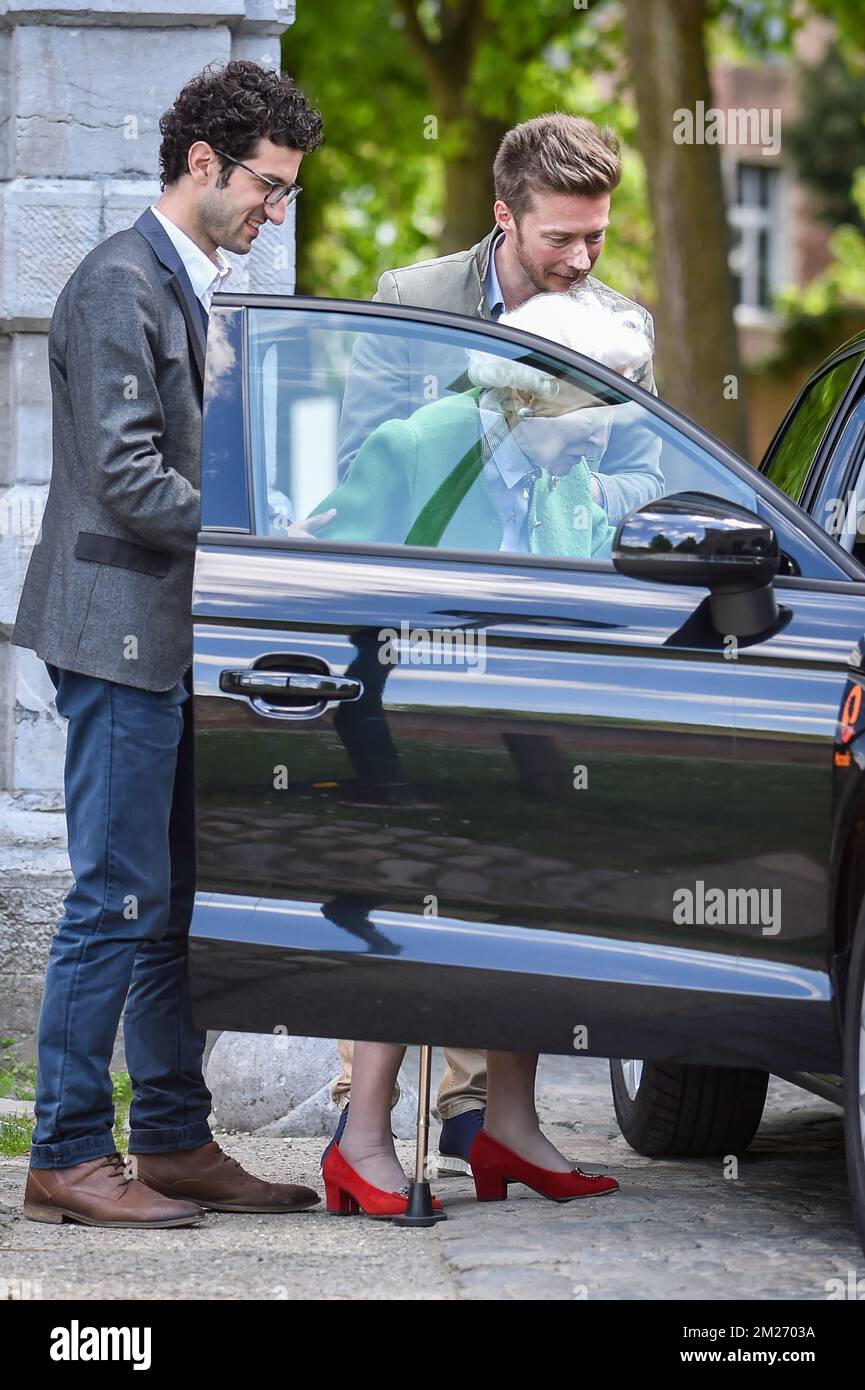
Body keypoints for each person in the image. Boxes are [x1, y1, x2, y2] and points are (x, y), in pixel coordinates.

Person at [11, 61, 328, 1229]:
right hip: (115, 638)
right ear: (203, 162)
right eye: (267, 186)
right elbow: (135, 478)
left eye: (286, 193)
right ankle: (65, 1154)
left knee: (175, 895)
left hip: (180, 640)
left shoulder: (191, 288)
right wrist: (271, 529)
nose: (274, 210)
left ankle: (178, 1141)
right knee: (113, 894)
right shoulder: (116, 284)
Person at [331, 113, 662, 1175]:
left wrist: (568, 474)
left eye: (594, 240)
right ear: (503, 216)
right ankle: (367, 1122)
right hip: (420, 646)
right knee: (414, 870)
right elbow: (365, 474)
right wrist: (489, 445)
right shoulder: (413, 303)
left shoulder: (617, 326)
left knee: (527, 870)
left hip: (548, 644)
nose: (578, 261)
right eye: (558, 238)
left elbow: (648, 479)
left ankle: (497, 1121)